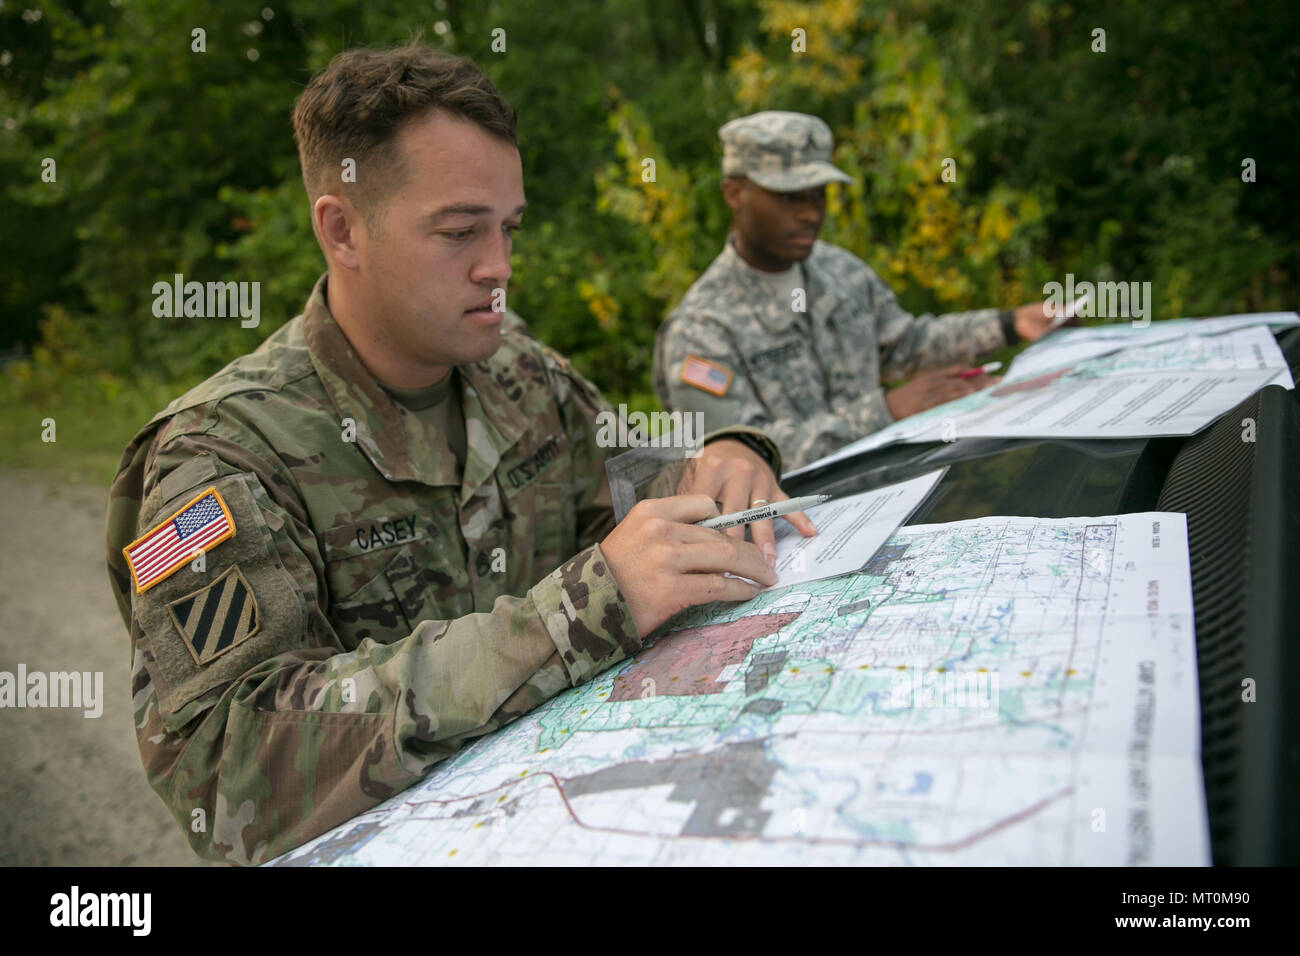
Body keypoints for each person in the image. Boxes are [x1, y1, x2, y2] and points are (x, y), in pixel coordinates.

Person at [105, 46, 814, 865]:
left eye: (508, 228)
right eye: (458, 232)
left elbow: (626, 492)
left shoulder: (518, 372)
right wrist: (574, 613)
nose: (500, 268)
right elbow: (225, 770)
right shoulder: (219, 459)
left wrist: (724, 450)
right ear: (342, 231)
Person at [653, 111, 1062, 471]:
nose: (811, 213)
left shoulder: (839, 271)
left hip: (897, 493)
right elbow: (737, 461)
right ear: (735, 194)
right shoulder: (699, 331)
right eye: (787, 197)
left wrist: (1009, 324)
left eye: (818, 195)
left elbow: (906, 345)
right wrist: (885, 411)